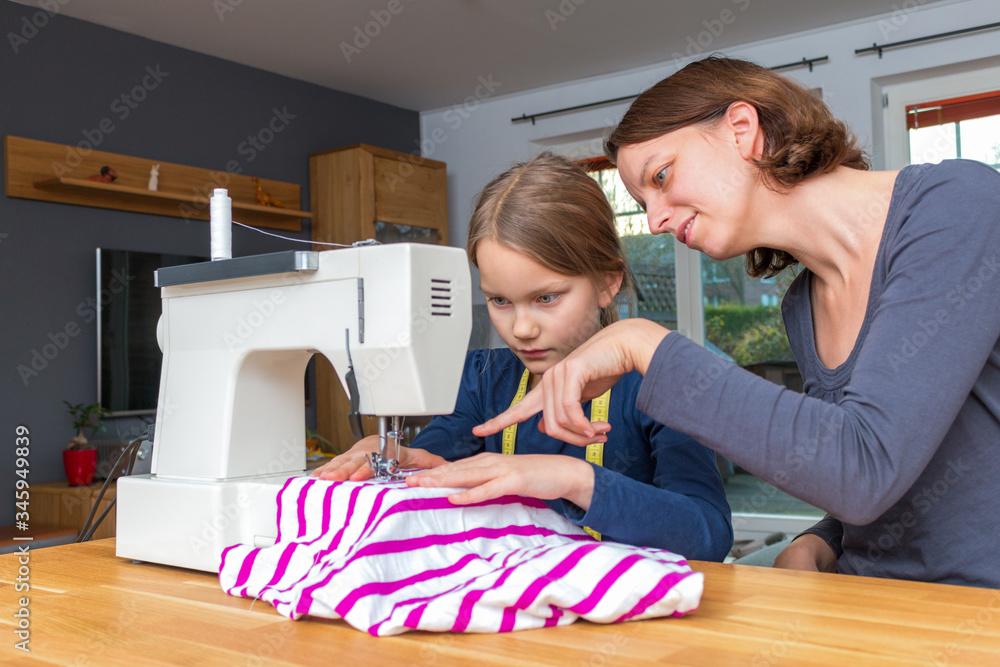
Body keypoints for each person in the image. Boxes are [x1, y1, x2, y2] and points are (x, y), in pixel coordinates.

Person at [474, 56, 1000, 589]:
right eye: (642, 201)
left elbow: (865, 468)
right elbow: (890, 476)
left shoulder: (959, 206)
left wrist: (644, 344)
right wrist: (822, 540)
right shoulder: (803, 303)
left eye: (661, 175)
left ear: (741, 130)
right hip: (870, 604)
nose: (654, 220)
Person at [312, 152, 733, 561]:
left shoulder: (661, 387)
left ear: (608, 282)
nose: (521, 329)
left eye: (546, 297)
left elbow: (707, 535)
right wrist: (397, 459)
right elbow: (433, 468)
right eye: (499, 300)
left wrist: (573, 480)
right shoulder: (482, 380)